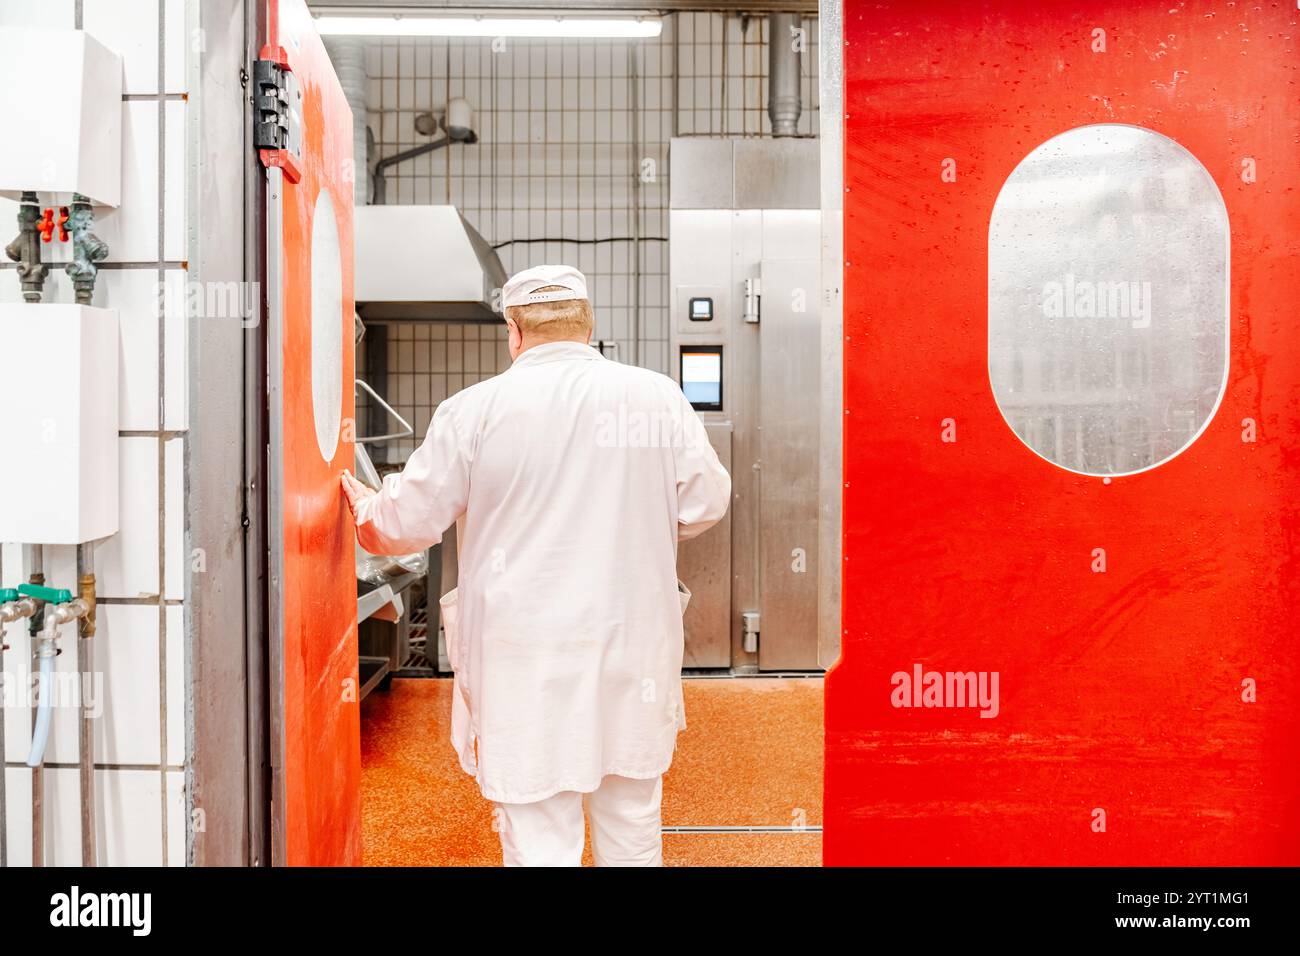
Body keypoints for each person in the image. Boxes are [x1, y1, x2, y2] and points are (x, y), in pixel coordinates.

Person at [341, 264, 731, 866]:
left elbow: (404, 526)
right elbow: (706, 500)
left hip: (523, 662)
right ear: (588, 327)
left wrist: (368, 509)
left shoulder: (474, 410)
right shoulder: (656, 397)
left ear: (514, 332)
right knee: (632, 827)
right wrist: (640, 529)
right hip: (631, 652)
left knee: (540, 838)